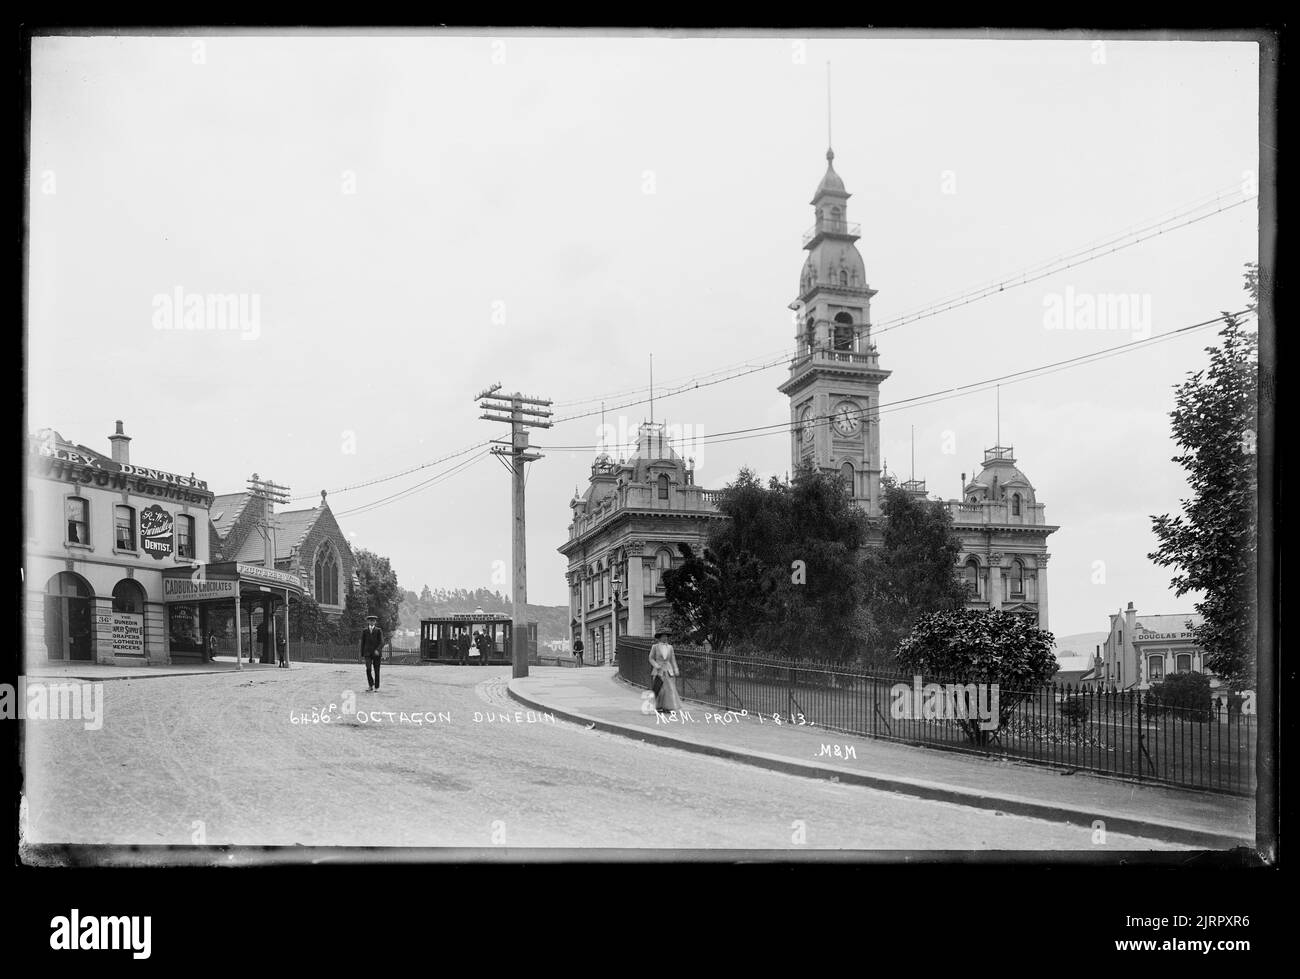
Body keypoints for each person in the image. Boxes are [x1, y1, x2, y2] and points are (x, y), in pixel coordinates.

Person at [648, 629, 682, 714]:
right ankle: (658, 706)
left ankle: (668, 707)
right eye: (663, 636)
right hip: (658, 670)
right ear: (659, 638)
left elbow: (673, 659)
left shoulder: (670, 647)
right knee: (660, 689)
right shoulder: (655, 647)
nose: (665, 638)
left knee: (669, 689)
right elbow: (651, 658)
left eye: (666, 636)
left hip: (668, 670)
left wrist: (676, 669)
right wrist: (656, 665)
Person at [360, 615, 385, 691]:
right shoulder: (365, 631)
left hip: (376, 653)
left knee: (377, 670)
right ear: (368, 621)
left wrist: (378, 650)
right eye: (370, 621)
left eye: (373, 621)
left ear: (375, 622)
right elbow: (362, 643)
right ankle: (371, 685)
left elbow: (382, 642)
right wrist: (362, 653)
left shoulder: (378, 630)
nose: (372, 622)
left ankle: (376, 687)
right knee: (368, 669)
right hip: (367, 653)